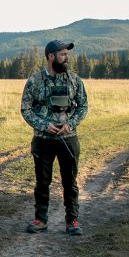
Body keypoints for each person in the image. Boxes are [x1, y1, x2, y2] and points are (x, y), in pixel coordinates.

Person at [21, 39, 89, 236]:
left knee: (70, 182)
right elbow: (25, 109)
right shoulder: (35, 81)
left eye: (67, 54)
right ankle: (40, 220)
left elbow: (83, 106)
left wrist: (70, 124)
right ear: (51, 57)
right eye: (63, 54)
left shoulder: (75, 80)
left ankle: (72, 221)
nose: (66, 58)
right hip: (43, 140)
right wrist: (44, 125)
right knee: (42, 182)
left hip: (68, 139)